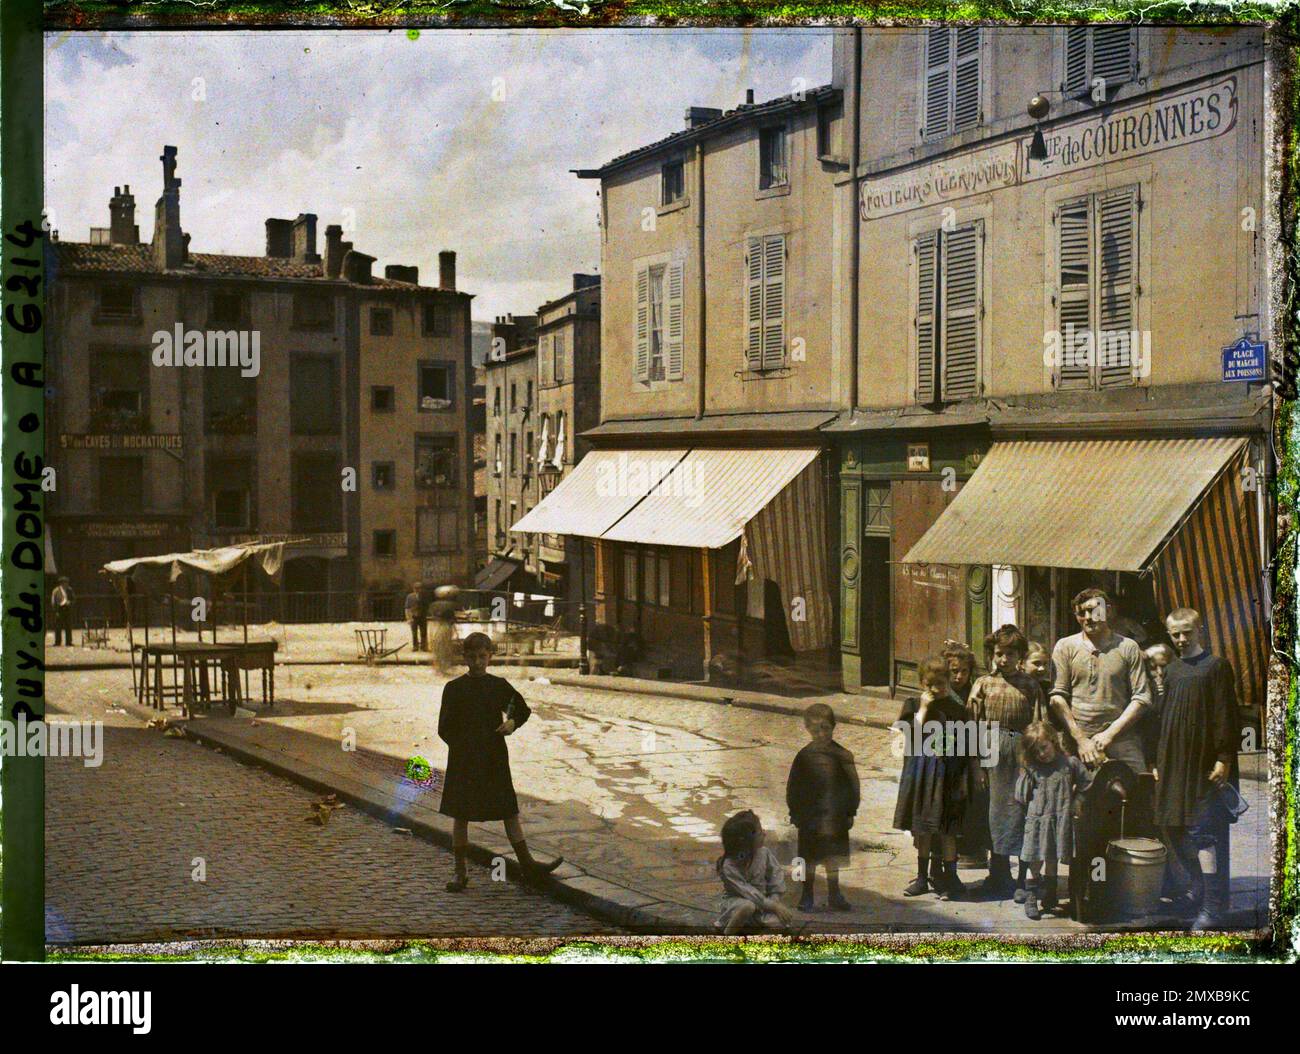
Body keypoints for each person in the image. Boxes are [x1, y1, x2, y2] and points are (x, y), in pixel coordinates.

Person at [437, 632, 563, 892]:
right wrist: (463, 745)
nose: (477, 662)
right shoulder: (454, 689)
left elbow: (521, 708)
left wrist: (512, 722)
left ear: (490, 657)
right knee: (461, 814)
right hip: (464, 760)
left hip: (494, 757)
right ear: (465, 658)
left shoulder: (497, 686)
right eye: (472, 657)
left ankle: (528, 865)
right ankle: (460, 872)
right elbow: (444, 728)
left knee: (508, 810)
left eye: (482, 656)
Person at [1154, 609, 1241, 931]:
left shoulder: (1216, 667)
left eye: (1186, 632)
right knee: (1173, 826)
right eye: (1175, 634)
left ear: (1199, 629)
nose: (1180, 639)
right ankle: (1198, 888)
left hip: (1205, 764)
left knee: (1204, 834)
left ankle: (1214, 907)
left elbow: (1226, 713)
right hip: (1174, 763)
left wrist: (1224, 757)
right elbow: (1166, 718)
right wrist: (1158, 760)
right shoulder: (1173, 670)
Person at [968, 625, 1043, 900]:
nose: (1004, 659)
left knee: (1021, 813)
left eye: (1010, 654)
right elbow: (972, 726)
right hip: (991, 752)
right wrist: (976, 763)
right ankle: (998, 873)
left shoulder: (1030, 685)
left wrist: (1032, 760)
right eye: (999, 653)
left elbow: (1038, 724)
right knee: (994, 814)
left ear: (1020, 655)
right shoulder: (983, 684)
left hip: (1021, 753)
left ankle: (1023, 879)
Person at [1048, 587, 1153, 771]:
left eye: (1094, 610)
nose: (1088, 617)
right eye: (1082, 613)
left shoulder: (1128, 647)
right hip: (1078, 739)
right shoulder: (1065, 646)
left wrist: (1109, 735)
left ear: (1109, 611)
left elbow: (1142, 698)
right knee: (1069, 792)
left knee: (1138, 787)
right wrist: (1081, 739)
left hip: (1121, 738)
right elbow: (1057, 698)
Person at [893, 657, 970, 900]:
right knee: (923, 827)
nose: (937, 689)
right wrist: (924, 709)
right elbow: (907, 737)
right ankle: (922, 877)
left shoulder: (957, 708)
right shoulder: (913, 705)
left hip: (947, 775)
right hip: (922, 774)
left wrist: (964, 776)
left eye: (942, 682)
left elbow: (966, 745)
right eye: (931, 684)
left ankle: (951, 878)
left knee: (947, 830)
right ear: (921, 684)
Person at [786, 703, 860, 912]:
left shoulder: (843, 755)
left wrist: (850, 811)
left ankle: (834, 894)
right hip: (810, 818)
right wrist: (795, 812)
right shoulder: (803, 757)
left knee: (832, 859)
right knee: (807, 859)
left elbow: (853, 786)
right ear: (807, 728)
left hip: (835, 817)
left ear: (833, 727)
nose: (821, 734)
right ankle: (806, 895)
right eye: (816, 729)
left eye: (826, 728)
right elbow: (794, 786)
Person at [1015, 721, 1092, 920]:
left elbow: (1087, 783)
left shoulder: (1070, 763)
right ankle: (1031, 896)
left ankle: (1050, 896)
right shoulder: (1032, 768)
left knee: (1052, 858)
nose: (1042, 754)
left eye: (1044, 747)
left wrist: (1078, 801)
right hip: (1038, 820)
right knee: (1035, 859)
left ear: (1053, 741)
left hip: (1060, 819)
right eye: (1036, 751)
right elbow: (1021, 796)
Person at [714, 810, 793, 935]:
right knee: (747, 906)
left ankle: (754, 931)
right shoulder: (728, 865)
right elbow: (748, 893)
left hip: (763, 905)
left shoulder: (764, 853)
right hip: (738, 904)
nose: (764, 834)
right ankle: (727, 936)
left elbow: (776, 876)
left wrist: (775, 899)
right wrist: (774, 906)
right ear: (746, 841)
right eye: (760, 832)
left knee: (783, 922)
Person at [1141, 642, 1176, 774]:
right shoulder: (1146, 690)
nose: (1159, 673)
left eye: (1164, 666)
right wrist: (1151, 761)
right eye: (1153, 668)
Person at [50, 577, 76, 647]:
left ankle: (68, 642)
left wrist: (70, 603)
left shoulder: (70, 590)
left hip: (67, 608)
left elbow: (74, 599)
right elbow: (53, 601)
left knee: (68, 626)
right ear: (61, 583)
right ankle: (57, 642)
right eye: (64, 582)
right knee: (58, 626)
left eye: (67, 582)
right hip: (59, 609)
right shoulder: (56, 590)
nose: (66, 584)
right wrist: (55, 610)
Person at [405, 582, 427, 652]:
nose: (417, 590)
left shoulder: (424, 596)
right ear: (413, 589)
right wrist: (408, 618)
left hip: (422, 616)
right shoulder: (410, 596)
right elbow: (407, 608)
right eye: (416, 588)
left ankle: (423, 646)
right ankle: (415, 646)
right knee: (414, 633)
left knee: (423, 632)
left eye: (419, 588)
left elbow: (426, 606)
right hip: (414, 617)